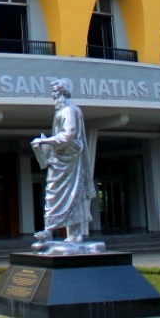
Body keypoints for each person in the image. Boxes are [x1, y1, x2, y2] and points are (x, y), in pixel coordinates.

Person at [31, 77, 96, 243]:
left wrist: (46, 141)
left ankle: (67, 233)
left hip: (69, 159)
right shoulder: (63, 110)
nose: (53, 95)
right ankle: (54, 231)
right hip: (60, 157)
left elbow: (68, 136)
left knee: (68, 193)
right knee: (55, 192)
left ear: (62, 92)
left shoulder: (69, 110)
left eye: (55, 91)